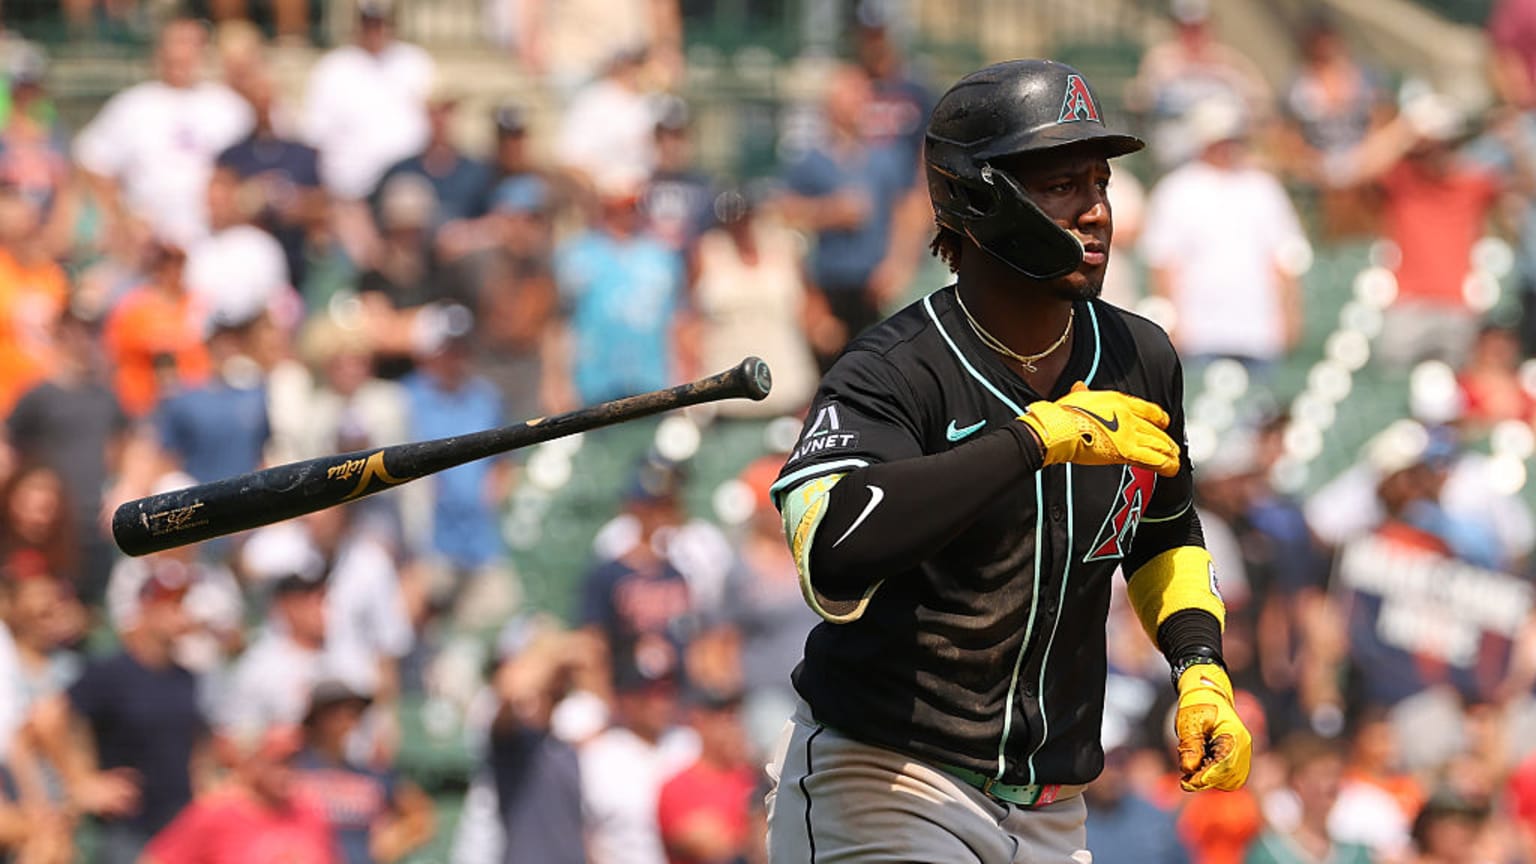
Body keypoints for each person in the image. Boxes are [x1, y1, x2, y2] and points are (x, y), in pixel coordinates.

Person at [763, 59, 1252, 863]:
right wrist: (1031, 441)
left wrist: (1199, 668)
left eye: (1101, 182)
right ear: (978, 197)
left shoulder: (1140, 355)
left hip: (1055, 812)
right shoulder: (893, 368)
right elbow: (832, 549)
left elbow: (1165, 532)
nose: (1097, 212)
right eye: (1063, 184)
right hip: (887, 782)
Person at [73, 16, 253, 248]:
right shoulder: (133, 104)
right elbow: (93, 162)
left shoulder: (230, 107)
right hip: (150, 242)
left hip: (216, 238)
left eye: (190, 43)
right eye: (176, 43)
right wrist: (121, 217)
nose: (182, 53)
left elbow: (249, 171)